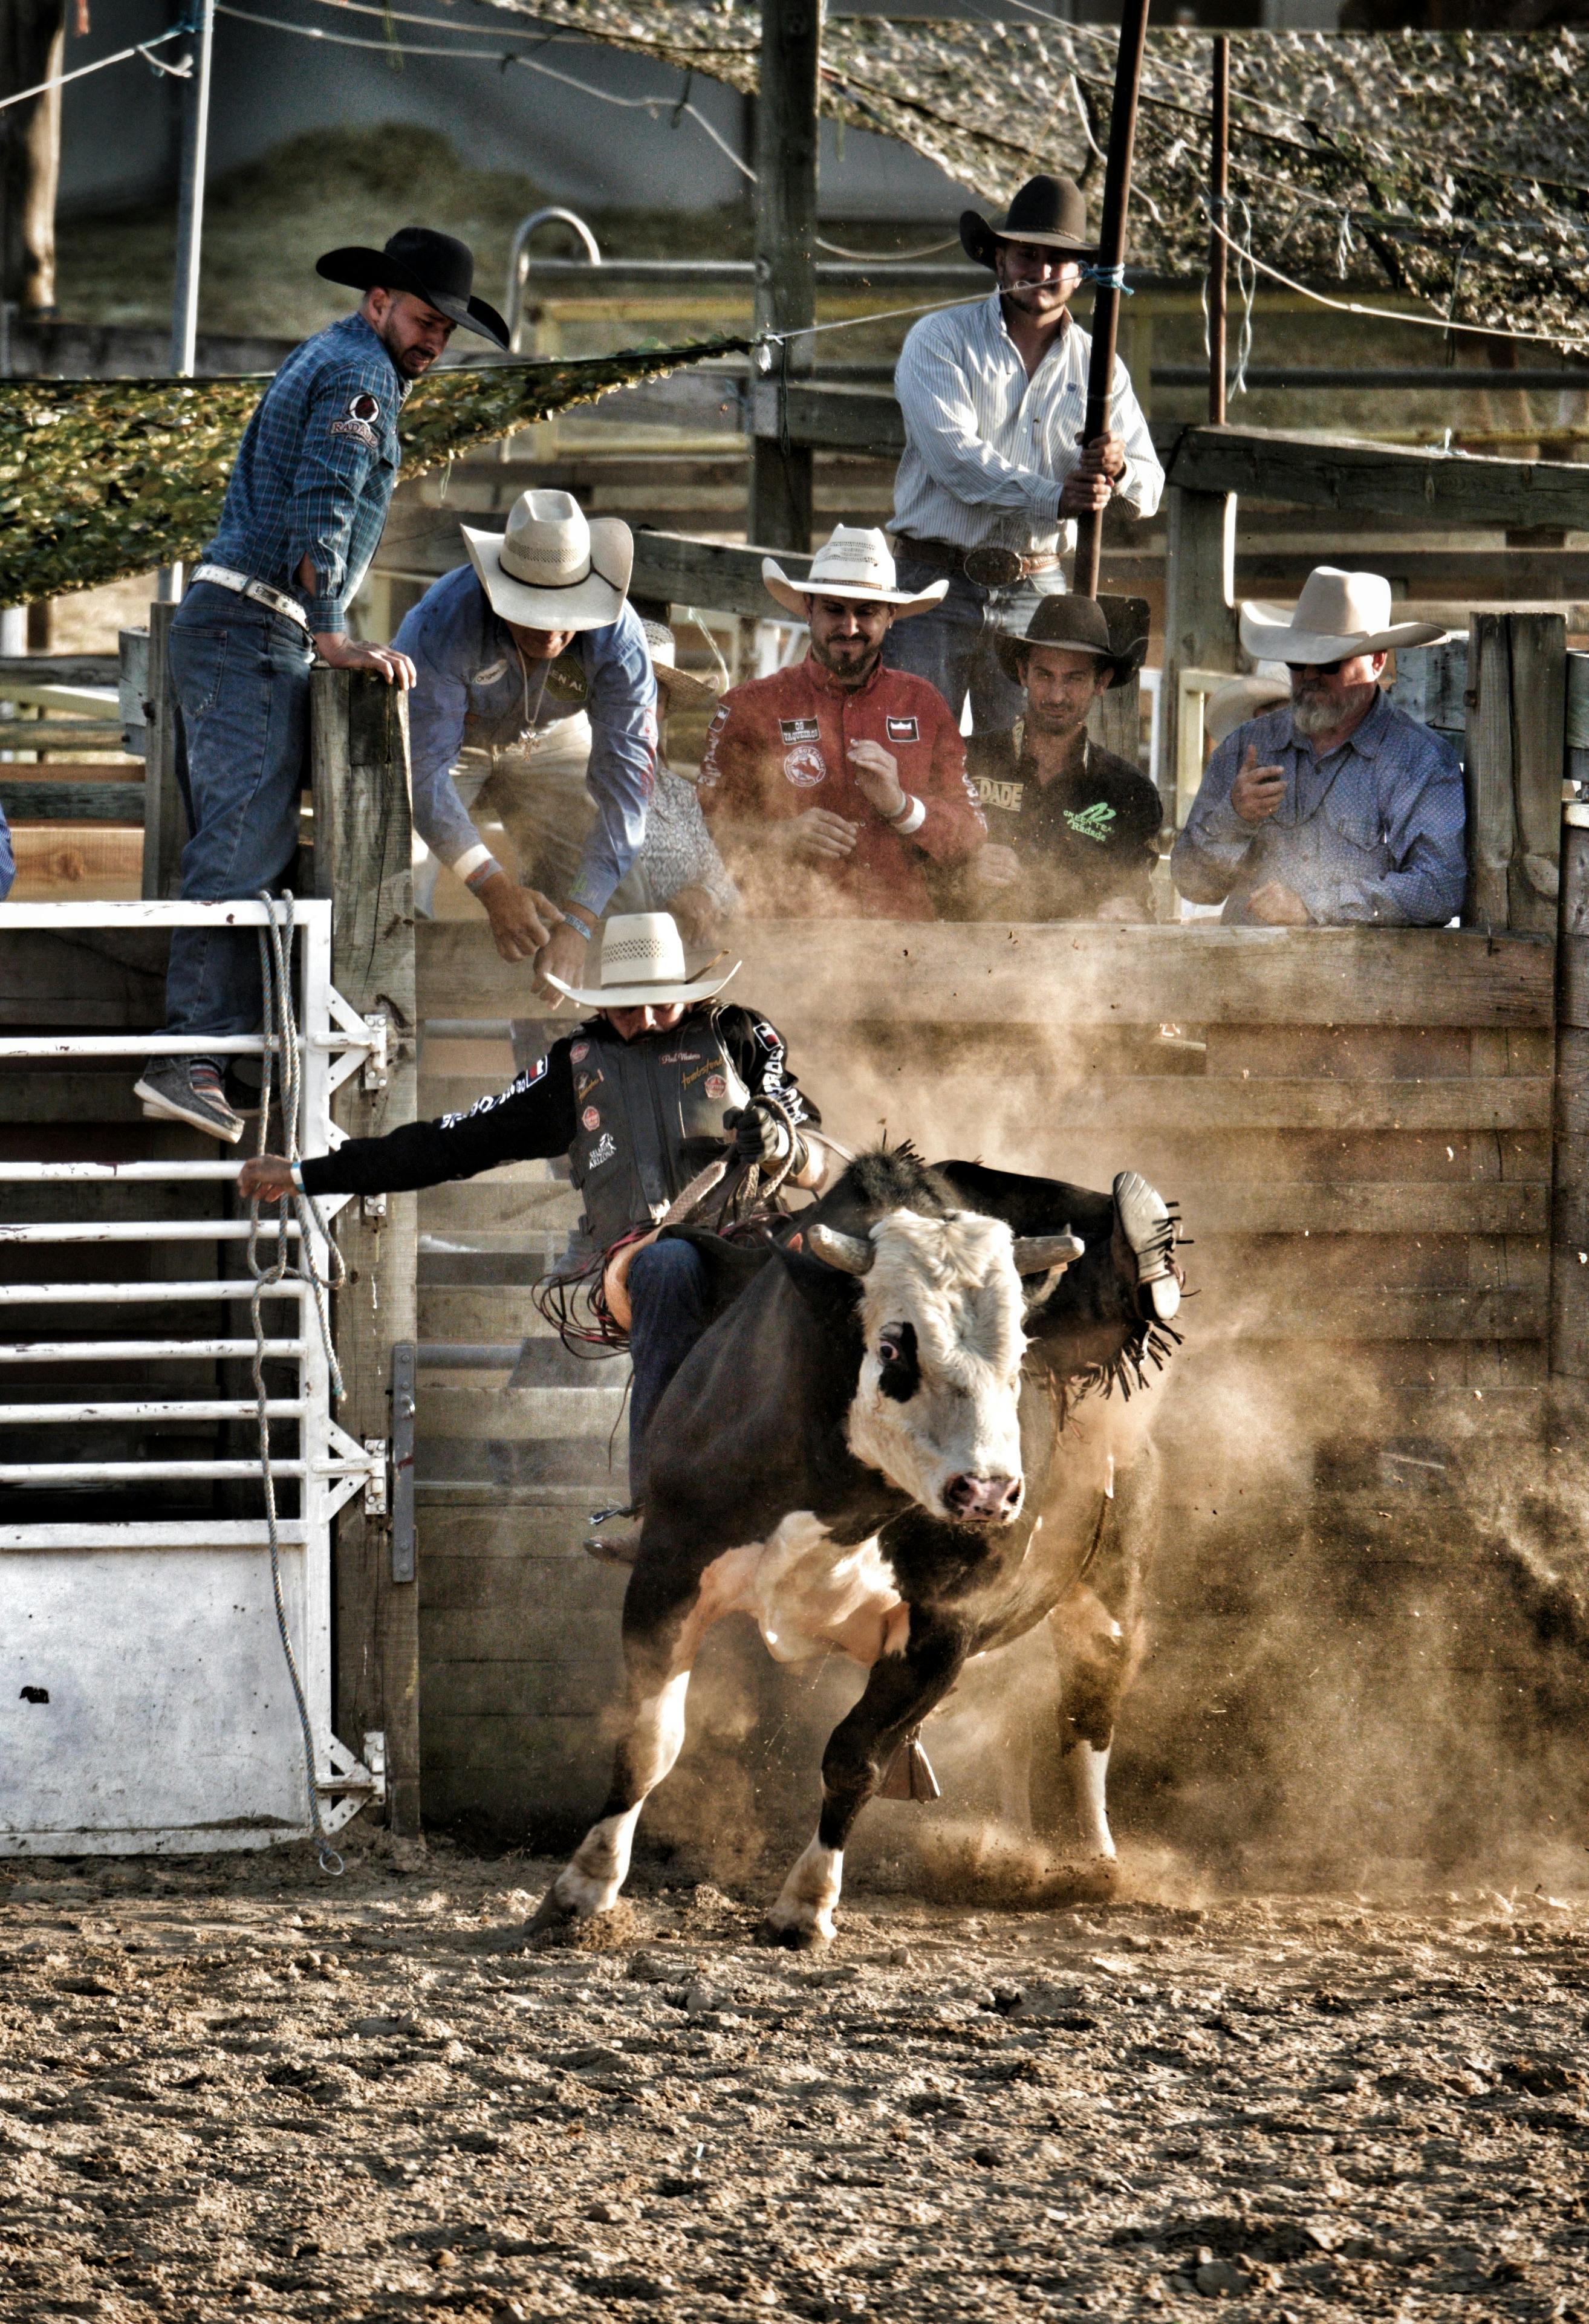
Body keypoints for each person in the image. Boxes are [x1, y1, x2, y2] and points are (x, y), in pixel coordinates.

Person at [237, 913, 824, 1555]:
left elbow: (810, 1144)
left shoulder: (740, 1035)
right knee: (670, 1268)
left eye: (662, 1002)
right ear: (606, 1007)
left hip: (756, 1238)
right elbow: (452, 1142)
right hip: (649, 1258)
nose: (649, 1020)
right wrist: (307, 1173)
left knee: (837, 1265)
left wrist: (779, 1144)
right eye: (630, 1008)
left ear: (689, 990)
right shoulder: (573, 1068)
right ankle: (660, 1508)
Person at [134, 227, 509, 1143]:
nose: (433, 343)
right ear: (379, 301)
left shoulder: (331, 355)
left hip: (237, 622)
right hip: (257, 625)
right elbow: (325, 499)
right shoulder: (364, 378)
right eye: (425, 320)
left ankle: (215, 1054)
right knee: (239, 847)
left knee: (242, 838)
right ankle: (192, 1055)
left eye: (447, 331)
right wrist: (332, 633)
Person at [885, 173, 1163, 736]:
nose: (1041, 272)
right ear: (1000, 260)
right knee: (911, 750)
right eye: (1027, 255)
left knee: (1025, 760)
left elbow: (1150, 486)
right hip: (934, 583)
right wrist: (1057, 497)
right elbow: (956, 460)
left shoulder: (1099, 363)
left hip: (1036, 587)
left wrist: (1118, 468)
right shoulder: (939, 340)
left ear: (1081, 272)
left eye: (1058, 259)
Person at [402, 488, 657, 996]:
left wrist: (580, 921)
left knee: (625, 901)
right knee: (397, 877)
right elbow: (423, 774)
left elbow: (626, 793)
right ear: (498, 592)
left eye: (565, 610)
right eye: (533, 611)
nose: (550, 631)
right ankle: (404, 1043)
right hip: (453, 744)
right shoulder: (440, 623)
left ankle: (603, 1049)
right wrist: (493, 886)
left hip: (553, 734)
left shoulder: (620, 640)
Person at [697, 525, 987, 918]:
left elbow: (971, 833)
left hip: (903, 936)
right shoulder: (748, 707)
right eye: (835, 609)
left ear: (891, 616)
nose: (849, 628)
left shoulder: (924, 704)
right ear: (809, 608)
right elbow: (702, 828)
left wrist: (901, 806)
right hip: (786, 936)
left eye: (866, 612)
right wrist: (780, 836)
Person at [1172, 567, 1463, 927]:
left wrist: (1313, 907)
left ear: (1376, 661)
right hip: (1246, 978)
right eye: (1297, 661)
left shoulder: (1419, 760)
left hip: (1365, 981)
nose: (1308, 675)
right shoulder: (1244, 747)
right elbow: (1193, 886)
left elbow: (1439, 888)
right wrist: (1234, 817)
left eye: (1327, 662)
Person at [952, 594, 1161, 922]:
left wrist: (1130, 913)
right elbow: (917, 870)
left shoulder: (1131, 792)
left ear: (1101, 682)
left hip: (1076, 968)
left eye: (1075, 678)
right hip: (973, 960)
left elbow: (1142, 906)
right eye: (1045, 675)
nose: (1056, 695)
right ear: (1023, 673)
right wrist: (963, 874)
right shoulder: (964, 760)